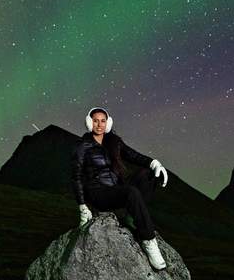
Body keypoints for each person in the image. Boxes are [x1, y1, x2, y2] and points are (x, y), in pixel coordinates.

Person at [70, 106, 171, 270]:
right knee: (131, 192)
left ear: (108, 123)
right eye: (95, 121)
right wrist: (82, 206)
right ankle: (149, 241)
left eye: (103, 121)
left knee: (149, 174)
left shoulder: (114, 142)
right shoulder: (82, 146)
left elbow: (133, 155)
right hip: (99, 193)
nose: (99, 125)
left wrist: (154, 163)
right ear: (89, 123)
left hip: (116, 189)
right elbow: (76, 177)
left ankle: (132, 216)